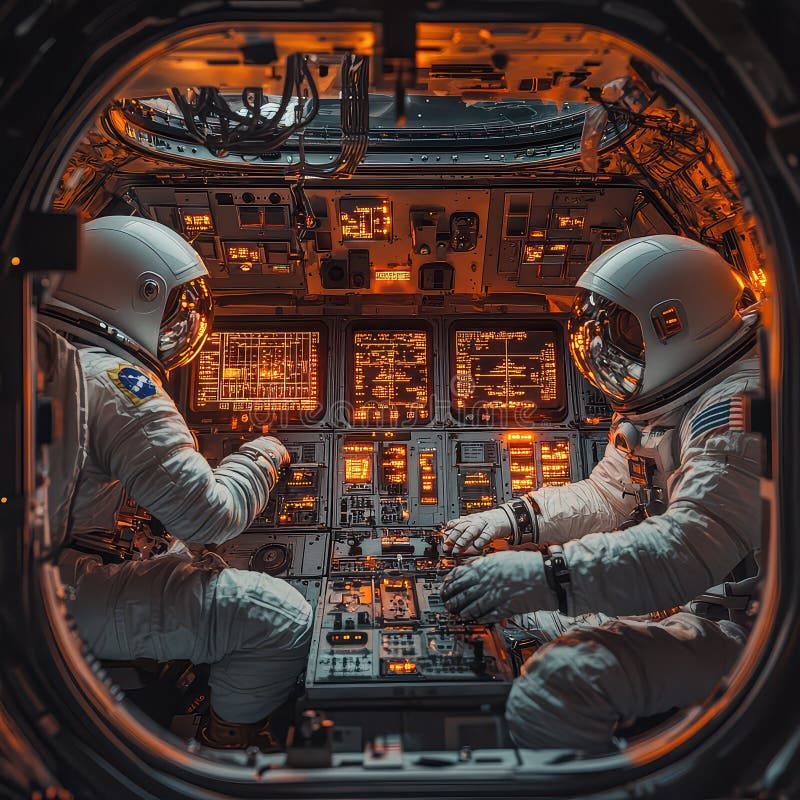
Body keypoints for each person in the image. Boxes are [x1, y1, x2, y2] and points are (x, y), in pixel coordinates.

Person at [441, 234, 763, 751]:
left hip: (756, 632)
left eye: (623, 329)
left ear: (674, 322)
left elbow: (686, 548)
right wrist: (510, 518)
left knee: (559, 684)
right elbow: (607, 495)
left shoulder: (742, 408)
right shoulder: (666, 403)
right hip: (696, 601)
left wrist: (544, 573)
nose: (608, 347)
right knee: (509, 621)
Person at [40, 216, 312, 750]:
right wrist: (265, 454)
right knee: (279, 617)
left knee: (177, 553)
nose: (177, 332)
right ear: (133, 291)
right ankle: (223, 750)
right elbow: (210, 518)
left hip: (42, 568)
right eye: (171, 311)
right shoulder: (114, 381)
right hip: (56, 589)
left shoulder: (48, 357)